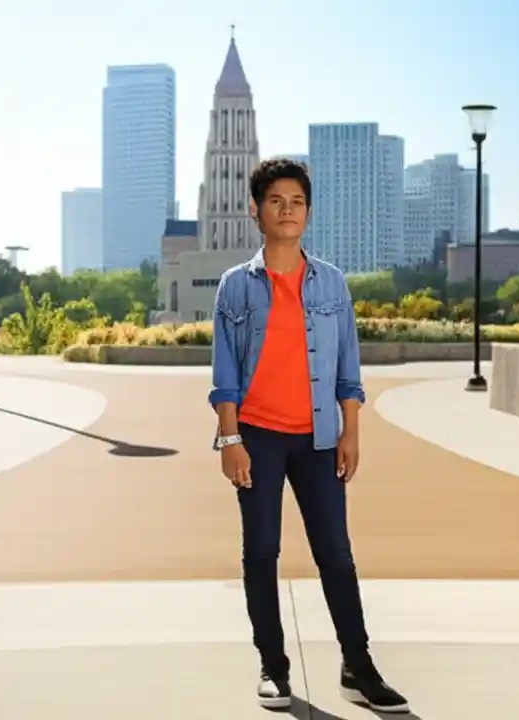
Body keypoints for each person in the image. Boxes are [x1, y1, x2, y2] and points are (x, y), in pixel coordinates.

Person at [207, 158, 409, 713]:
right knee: (261, 553)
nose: (287, 210)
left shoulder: (333, 282)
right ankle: (273, 667)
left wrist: (352, 432)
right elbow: (224, 374)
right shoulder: (235, 287)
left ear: (308, 212)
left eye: (297, 201)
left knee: (337, 556)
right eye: (276, 200)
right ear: (256, 210)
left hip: (319, 439)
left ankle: (357, 666)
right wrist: (230, 441)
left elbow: (348, 368)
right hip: (259, 437)